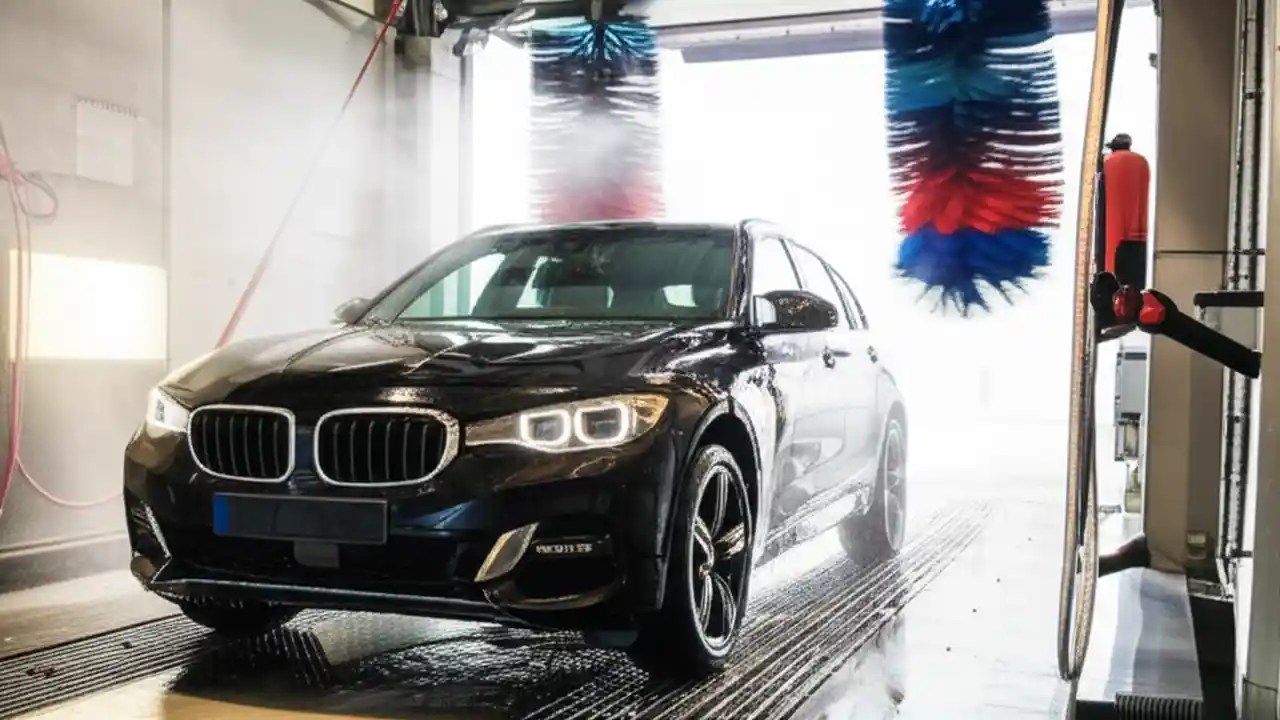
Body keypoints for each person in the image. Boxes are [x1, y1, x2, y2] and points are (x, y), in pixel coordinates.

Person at [1102, 133, 1151, 288]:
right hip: (1139, 239)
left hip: (1114, 238)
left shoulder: (1108, 163)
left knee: (1114, 287)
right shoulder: (1142, 163)